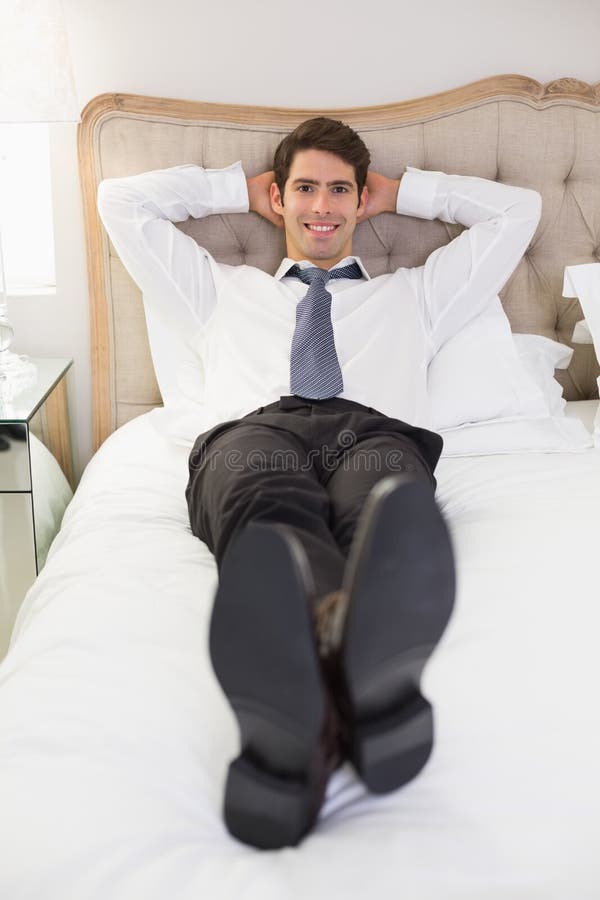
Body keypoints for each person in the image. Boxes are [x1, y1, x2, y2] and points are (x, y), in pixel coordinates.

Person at [97, 118, 541, 850]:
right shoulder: (216, 289)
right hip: (254, 431)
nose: (324, 206)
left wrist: (401, 191)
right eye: (305, 188)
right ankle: (348, 673)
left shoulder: (417, 295)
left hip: (372, 432)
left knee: (383, 506)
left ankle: (305, 720)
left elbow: (517, 211)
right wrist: (233, 190)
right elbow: (121, 201)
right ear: (278, 198)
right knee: (269, 515)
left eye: (342, 190)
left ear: (363, 200)